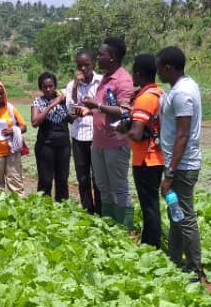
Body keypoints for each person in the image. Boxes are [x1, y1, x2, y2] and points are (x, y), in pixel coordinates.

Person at [156, 46, 203, 280]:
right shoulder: (185, 86)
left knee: (184, 217)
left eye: (159, 68)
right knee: (176, 214)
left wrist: (170, 172)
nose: (157, 73)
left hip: (182, 166)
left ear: (168, 67)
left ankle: (195, 269)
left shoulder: (183, 93)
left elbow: (182, 135)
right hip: (179, 165)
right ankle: (174, 261)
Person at [82, 37, 134, 228]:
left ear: (112, 57)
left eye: (101, 54)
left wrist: (97, 105)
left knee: (119, 188)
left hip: (116, 143)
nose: (98, 57)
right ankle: (109, 225)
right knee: (103, 188)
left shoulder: (124, 80)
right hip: (99, 143)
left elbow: (124, 110)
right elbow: (104, 108)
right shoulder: (105, 79)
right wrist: (91, 110)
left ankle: (124, 227)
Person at [121, 54, 164, 248]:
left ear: (138, 74)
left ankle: (151, 245)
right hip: (156, 156)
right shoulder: (158, 92)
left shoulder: (145, 99)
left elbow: (137, 134)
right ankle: (150, 241)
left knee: (149, 206)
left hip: (146, 158)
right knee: (151, 204)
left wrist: (123, 129)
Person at [64, 50, 102, 214]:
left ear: (93, 64)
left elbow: (104, 108)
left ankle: (101, 210)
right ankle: (88, 210)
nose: (83, 68)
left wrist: (89, 110)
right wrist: (75, 87)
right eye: (80, 65)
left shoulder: (101, 82)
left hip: (97, 136)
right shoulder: (72, 85)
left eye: (86, 65)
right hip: (79, 136)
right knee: (83, 176)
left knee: (98, 177)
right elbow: (70, 110)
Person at [30, 72, 71, 201]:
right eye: (44, 87)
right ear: (40, 88)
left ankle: (62, 208)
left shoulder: (64, 100)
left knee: (62, 179)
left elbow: (72, 119)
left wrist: (74, 107)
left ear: (55, 86)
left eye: (51, 86)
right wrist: (52, 104)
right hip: (45, 146)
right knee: (45, 180)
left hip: (63, 146)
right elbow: (35, 122)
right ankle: (43, 209)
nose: (48, 89)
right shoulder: (38, 101)